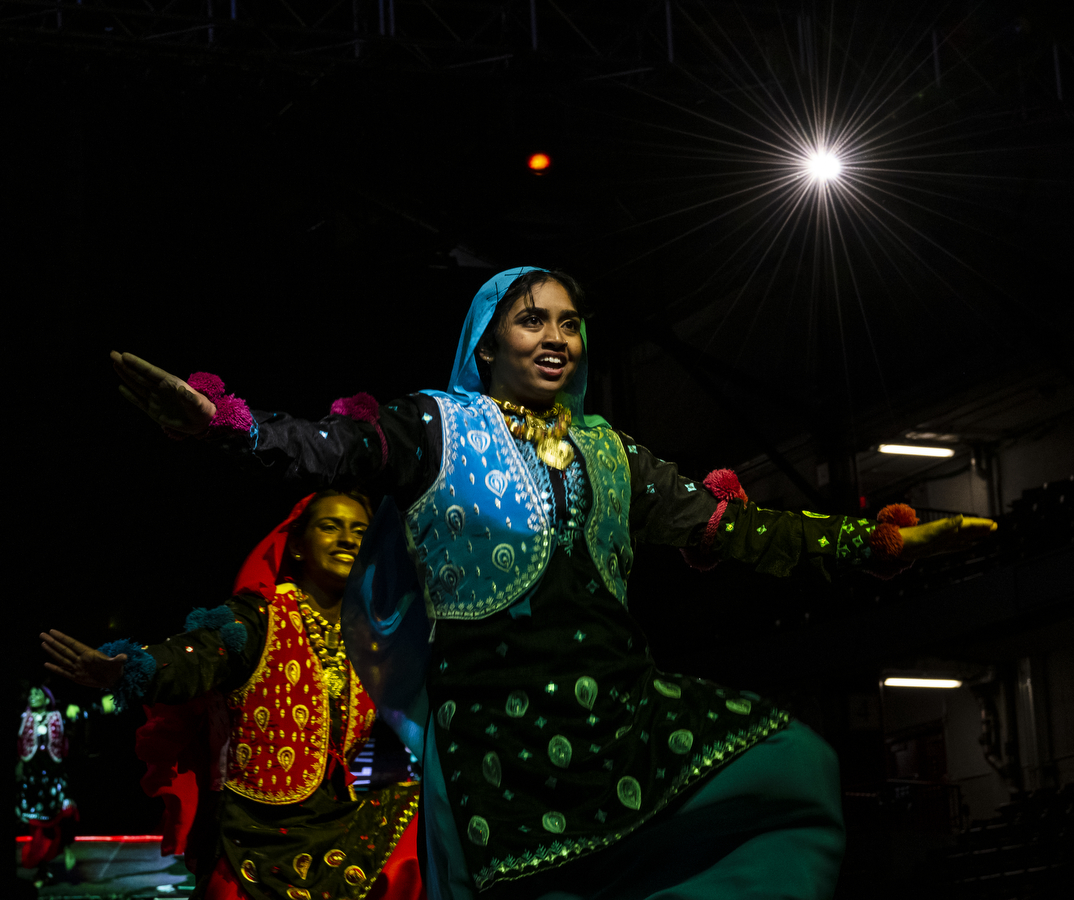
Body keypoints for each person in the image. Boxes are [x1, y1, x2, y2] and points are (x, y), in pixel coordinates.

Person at [106, 266, 997, 899]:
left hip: (621, 713)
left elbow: (739, 532)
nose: (558, 339)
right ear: (488, 342)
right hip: (501, 735)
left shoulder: (612, 451)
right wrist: (227, 425)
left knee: (797, 769)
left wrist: (878, 542)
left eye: (570, 324)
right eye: (534, 321)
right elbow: (328, 448)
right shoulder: (437, 427)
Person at [41, 490, 425, 900]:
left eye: (360, 531)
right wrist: (129, 668)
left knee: (418, 819)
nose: (347, 539)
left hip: (337, 824)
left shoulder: (373, 639)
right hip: (256, 835)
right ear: (297, 545)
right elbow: (196, 656)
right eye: (330, 527)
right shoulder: (258, 617)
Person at [17, 684, 79, 878]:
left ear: (46, 698)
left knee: (60, 817)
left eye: (37, 693)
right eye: (30, 694)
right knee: (38, 825)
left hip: (54, 776)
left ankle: (65, 848)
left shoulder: (58, 717)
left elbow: (79, 717)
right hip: (32, 779)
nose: (32, 696)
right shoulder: (23, 719)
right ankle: (42, 867)